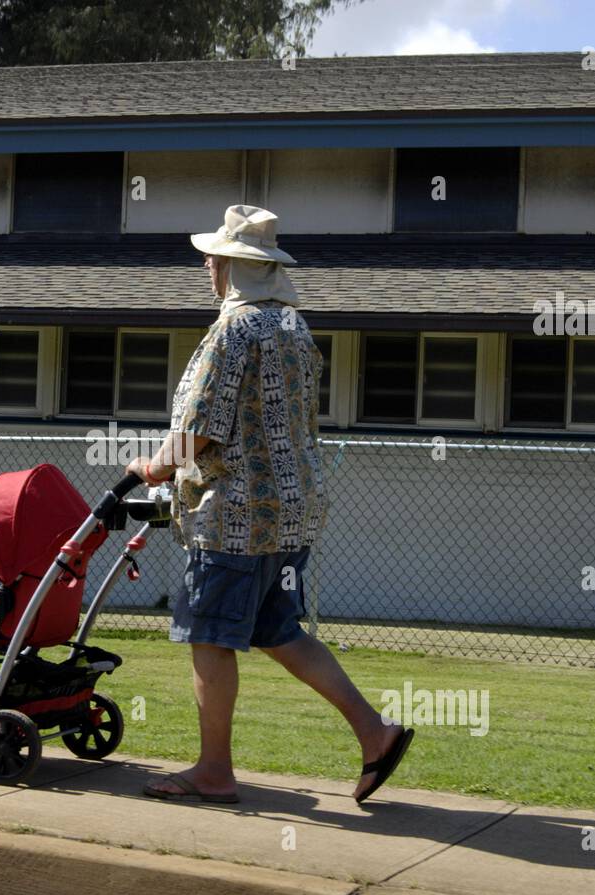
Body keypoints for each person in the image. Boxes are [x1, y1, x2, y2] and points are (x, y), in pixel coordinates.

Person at [127, 204, 414, 807]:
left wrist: (149, 467)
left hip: (234, 513)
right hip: (290, 509)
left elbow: (201, 426)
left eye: (215, 257)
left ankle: (213, 772)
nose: (207, 264)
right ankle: (375, 732)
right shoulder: (293, 329)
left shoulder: (233, 331)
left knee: (208, 634)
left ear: (234, 267)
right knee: (278, 629)